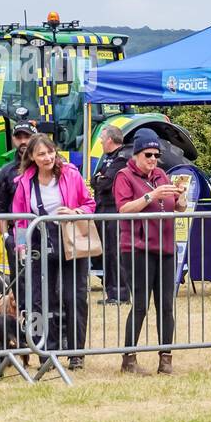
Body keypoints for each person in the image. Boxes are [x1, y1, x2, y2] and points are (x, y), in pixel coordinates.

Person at [12, 134, 96, 370]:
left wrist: (75, 212)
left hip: (71, 241)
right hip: (38, 244)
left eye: (50, 152)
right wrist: (21, 245)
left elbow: (90, 204)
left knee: (74, 296)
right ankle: (44, 350)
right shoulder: (24, 182)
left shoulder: (71, 174)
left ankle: (76, 352)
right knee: (40, 300)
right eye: (41, 154)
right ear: (32, 157)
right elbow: (18, 218)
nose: (47, 157)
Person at [113, 129, 188, 376]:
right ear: (136, 155)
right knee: (141, 305)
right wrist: (151, 195)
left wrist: (180, 199)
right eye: (148, 154)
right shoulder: (124, 176)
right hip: (137, 248)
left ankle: (165, 359)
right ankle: (129, 359)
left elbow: (178, 209)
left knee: (166, 305)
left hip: (166, 248)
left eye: (156, 155)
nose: (153, 159)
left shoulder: (161, 175)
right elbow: (124, 209)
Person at [90, 124, 131, 305]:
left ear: (109, 139)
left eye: (101, 138)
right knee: (105, 253)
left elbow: (105, 183)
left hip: (114, 211)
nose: (100, 141)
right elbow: (94, 181)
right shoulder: (107, 158)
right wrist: (99, 179)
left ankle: (121, 294)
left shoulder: (122, 158)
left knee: (115, 253)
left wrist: (100, 179)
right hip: (102, 210)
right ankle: (111, 292)